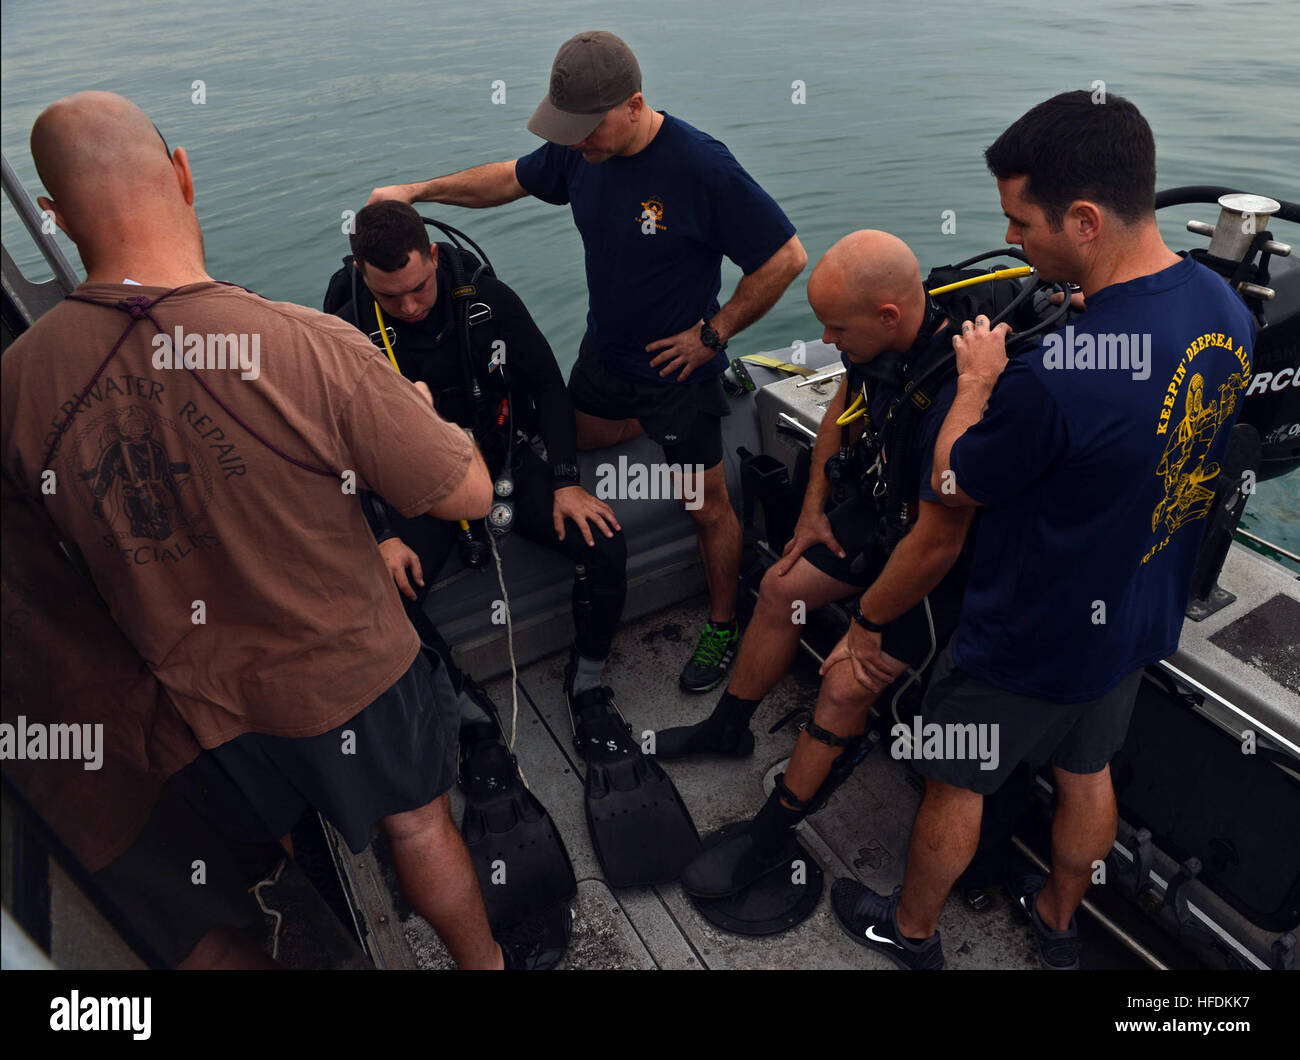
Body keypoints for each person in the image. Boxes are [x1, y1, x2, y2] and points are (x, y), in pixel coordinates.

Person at [0, 92, 539, 969]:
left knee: (282, 850)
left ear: (53, 221)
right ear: (182, 173)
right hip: (355, 671)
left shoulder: (18, 382)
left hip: (204, 701)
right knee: (419, 824)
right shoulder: (308, 345)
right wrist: (409, 410)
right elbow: (471, 493)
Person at [831, 91, 1255, 970]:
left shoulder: (1057, 376)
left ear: (1087, 220)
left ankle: (909, 934)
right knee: (1085, 773)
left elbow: (952, 481)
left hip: (1028, 636)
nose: (1015, 240)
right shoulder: (1224, 305)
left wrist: (980, 380)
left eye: (1021, 222)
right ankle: (1060, 920)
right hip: (1139, 616)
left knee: (956, 779)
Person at [369, 29, 807, 694]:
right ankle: (672, 413)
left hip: (677, 369)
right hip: (605, 353)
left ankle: (721, 622)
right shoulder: (581, 153)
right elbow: (508, 181)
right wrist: (415, 191)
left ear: (634, 104)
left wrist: (712, 337)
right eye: (568, 131)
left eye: (587, 128)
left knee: (704, 506)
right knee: (577, 435)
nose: (577, 142)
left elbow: (784, 258)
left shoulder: (700, 167)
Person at [661, 231, 983, 899]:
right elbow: (841, 413)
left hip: (943, 560)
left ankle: (770, 836)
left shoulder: (959, 391)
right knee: (781, 585)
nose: (828, 340)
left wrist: (865, 627)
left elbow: (939, 543)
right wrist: (812, 514)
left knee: (844, 683)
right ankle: (727, 729)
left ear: (888, 315)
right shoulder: (879, 347)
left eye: (836, 328)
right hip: (888, 513)